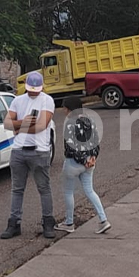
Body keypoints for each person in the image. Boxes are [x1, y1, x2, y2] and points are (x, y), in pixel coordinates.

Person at [0, 71, 56, 239]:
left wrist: (18, 127)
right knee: (17, 189)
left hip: (39, 150)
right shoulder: (18, 100)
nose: (34, 92)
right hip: (19, 150)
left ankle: (48, 222)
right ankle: (14, 223)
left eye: (36, 89)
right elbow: (6, 123)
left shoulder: (47, 100)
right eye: (31, 89)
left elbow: (41, 126)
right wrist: (22, 123)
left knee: (44, 188)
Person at [55, 97, 110, 235]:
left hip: (73, 163)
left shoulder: (69, 124)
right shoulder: (90, 121)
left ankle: (69, 222)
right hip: (90, 162)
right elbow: (96, 141)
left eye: (64, 107)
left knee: (68, 192)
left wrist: (81, 160)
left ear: (68, 109)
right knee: (90, 190)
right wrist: (91, 158)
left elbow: (70, 147)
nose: (63, 110)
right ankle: (103, 220)